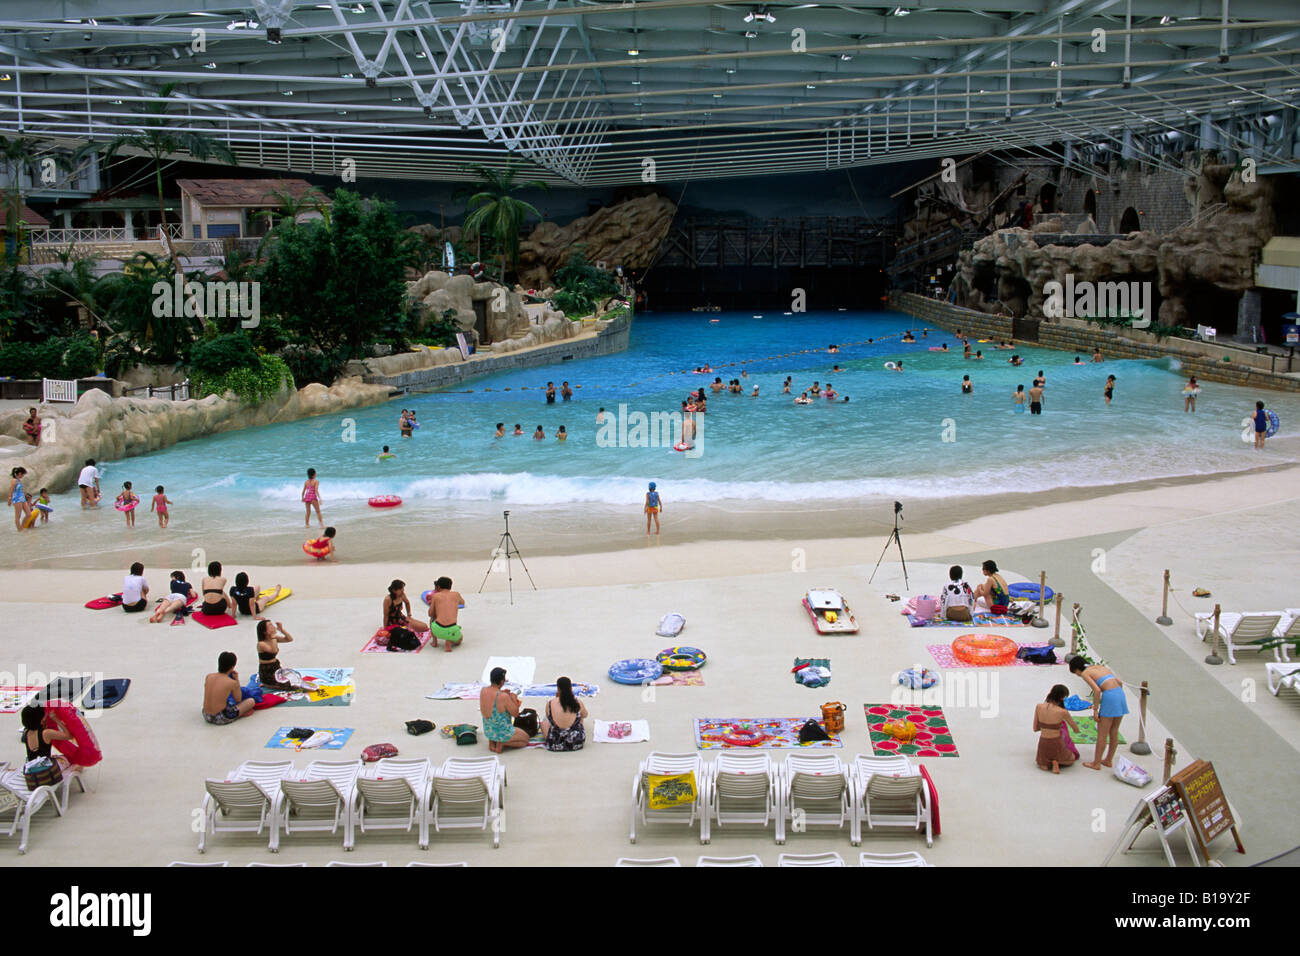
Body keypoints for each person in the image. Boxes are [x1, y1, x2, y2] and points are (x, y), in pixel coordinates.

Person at [1069, 657, 1127, 770]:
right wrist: (1116, 694)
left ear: (1077, 669)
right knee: (1114, 730)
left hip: (1110, 697)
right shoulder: (1101, 667)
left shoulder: (1086, 673)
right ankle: (1108, 760)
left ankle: (1096, 763)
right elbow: (1119, 682)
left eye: (1076, 673)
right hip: (1120, 695)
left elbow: (1097, 690)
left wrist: (1095, 710)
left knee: (1102, 733)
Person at [480, 667, 530, 753]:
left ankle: (492, 742)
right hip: (503, 732)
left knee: (493, 721)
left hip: (489, 731)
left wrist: (502, 692)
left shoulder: (483, 691)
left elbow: (492, 698)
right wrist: (514, 699)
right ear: (502, 681)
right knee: (525, 739)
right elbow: (515, 714)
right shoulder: (503, 697)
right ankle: (502, 743)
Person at [1034, 684, 1080, 773]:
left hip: (1043, 743)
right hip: (1056, 743)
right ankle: (1056, 761)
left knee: (1042, 765)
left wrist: (1046, 726)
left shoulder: (1039, 707)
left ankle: (1049, 763)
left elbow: (1035, 728)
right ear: (1062, 698)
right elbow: (1076, 729)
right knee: (1072, 758)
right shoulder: (1062, 712)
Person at [203, 652, 254, 725]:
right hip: (221, 717)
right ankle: (238, 715)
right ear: (232, 667)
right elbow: (238, 699)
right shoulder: (231, 682)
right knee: (251, 701)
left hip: (206, 714)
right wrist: (236, 680)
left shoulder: (209, 676)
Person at [539, 677, 588, 751]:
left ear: (558, 689)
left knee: (543, 723)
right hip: (576, 742)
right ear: (571, 688)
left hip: (554, 744)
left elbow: (549, 719)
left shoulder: (550, 703)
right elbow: (585, 715)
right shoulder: (577, 702)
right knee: (580, 716)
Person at [20, 703, 71, 775]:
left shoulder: (26, 732)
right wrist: (56, 719)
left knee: (53, 756)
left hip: (32, 769)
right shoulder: (46, 733)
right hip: (45, 772)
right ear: (41, 719)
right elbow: (68, 735)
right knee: (69, 758)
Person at [256, 620, 296, 690]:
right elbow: (273, 651)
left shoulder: (273, 638)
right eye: (270, 626)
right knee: (288, 685)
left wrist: (282, 630)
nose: (273, 627)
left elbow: (289, 639)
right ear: (265, 632)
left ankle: (269, 683)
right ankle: (266, 683)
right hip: (266, 669)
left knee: (293, 678)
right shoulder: (261, 644)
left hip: (275, 666)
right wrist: (273, 638)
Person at [428, 576, 464, 652]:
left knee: (432, 618)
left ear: (438, 587)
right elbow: (462, 602)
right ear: (450, 586)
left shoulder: (435, 596)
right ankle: (449, 641)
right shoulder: (456, 594)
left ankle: (434, 642)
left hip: (437, 629)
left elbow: (430, 614)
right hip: (452, 629)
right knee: (459, 639)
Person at [9, 467, 32, 532]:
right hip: (16, 499)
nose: (23, 476)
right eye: (23, 474)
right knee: (18, 516)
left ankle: (21, 527)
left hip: (22, 498)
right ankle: (20, 530)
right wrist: (9, 498)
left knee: (28, 514)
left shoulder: (19, 480)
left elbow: (19, 490)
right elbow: (11, 489)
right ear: (19, 473)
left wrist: (25, 495)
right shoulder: (14, 480)